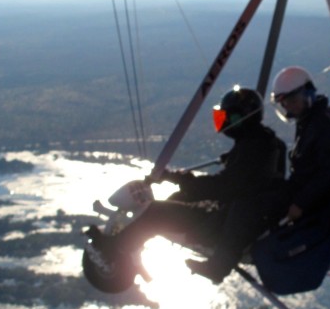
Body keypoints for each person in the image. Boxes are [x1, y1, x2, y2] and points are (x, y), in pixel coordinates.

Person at [184, 65, 330, 283]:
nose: (288, 107)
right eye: (283, 103)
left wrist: (301, 203)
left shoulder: (324, 124)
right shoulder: (314, 119)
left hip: (310, 199)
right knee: (252, 195)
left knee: (245, 208)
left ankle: (219, 267)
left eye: (290, 101)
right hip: (300, 189)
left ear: (306, 93)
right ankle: (219, 246)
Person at [87, 86, 286, 269]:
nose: (223, 123)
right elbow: (242, 182)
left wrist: (175, 177)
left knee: (156, 212)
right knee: (177, 198)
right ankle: (132, 243)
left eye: (227, 118)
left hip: (223, 226)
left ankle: (111, 251)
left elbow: (220, 187)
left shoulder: (254, 148)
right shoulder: (268, 143)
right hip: (240, 221)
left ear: (240, 119)